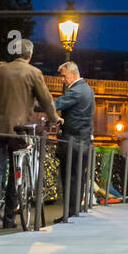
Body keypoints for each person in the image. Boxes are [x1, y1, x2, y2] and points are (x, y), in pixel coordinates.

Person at [0, 44, 57, 230]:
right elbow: (45, 99)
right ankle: (10, 218)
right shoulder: (34, 72)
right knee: (14, 173)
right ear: (30, 55)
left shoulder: (0, 70)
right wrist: (54, 118)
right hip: (19, 130)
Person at [54, 61, 96, 220]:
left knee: (69, 178)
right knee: (78, 178)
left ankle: (69, 213)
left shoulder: (76, 91)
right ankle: (74, 211)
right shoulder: (88, 90)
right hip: (84, 141)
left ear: (73, 74)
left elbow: (56, 104)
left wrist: (34, 105)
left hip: (72, 142)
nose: (62, 80)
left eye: (64, 76)